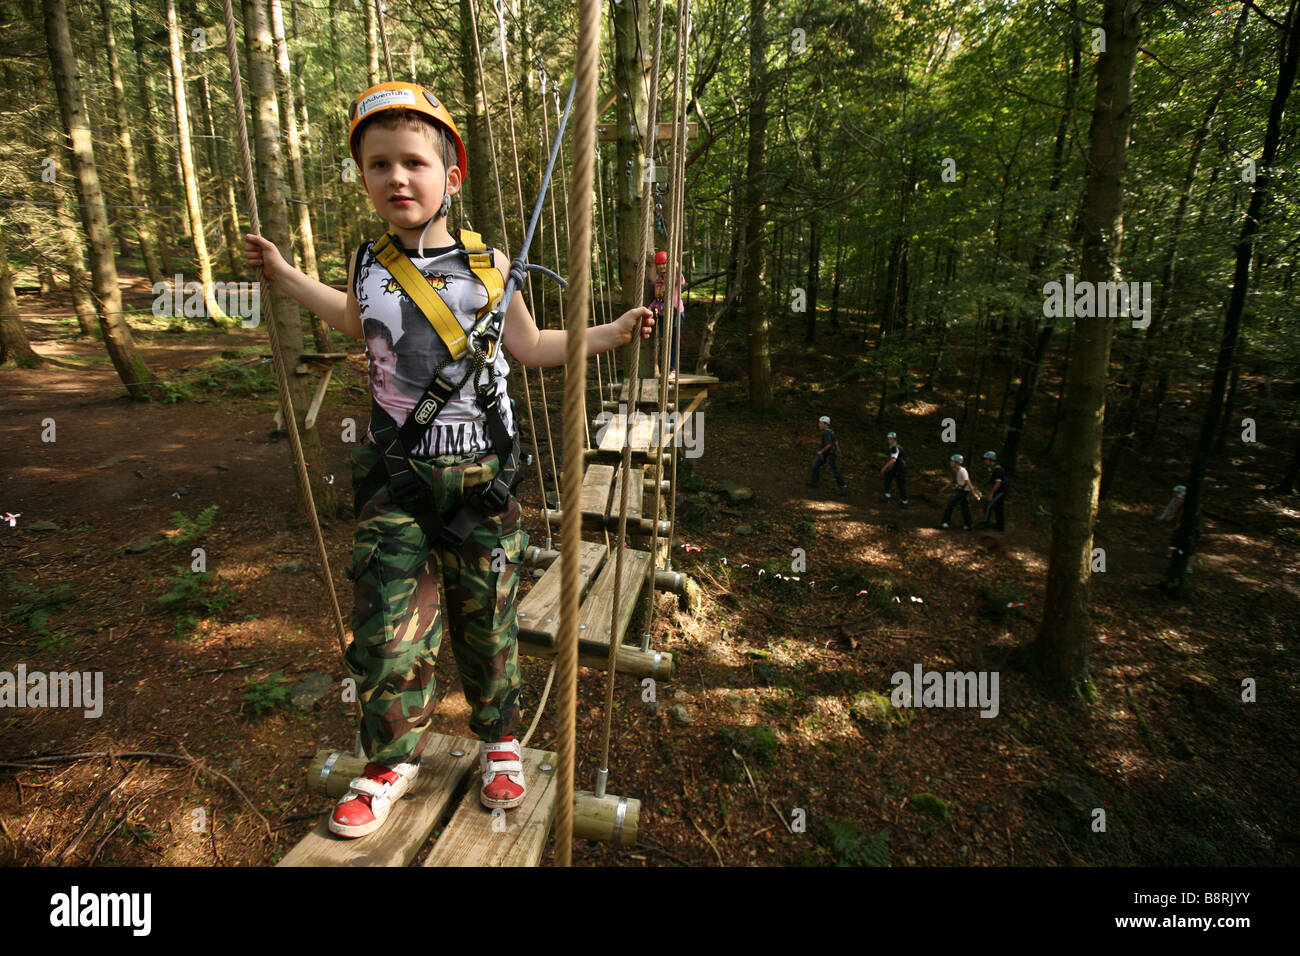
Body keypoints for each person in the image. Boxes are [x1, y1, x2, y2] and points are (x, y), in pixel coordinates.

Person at [244, 81, 653, 839]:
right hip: (396, 483)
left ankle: (500, 741)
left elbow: (530, 348)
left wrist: (611, 333)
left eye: (413, 163)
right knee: (386, 627)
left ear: (450, 177)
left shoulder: (492, 265)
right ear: (364, 178)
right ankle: (390, 760)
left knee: (487, 623)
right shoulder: (368, 263)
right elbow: (347, 313)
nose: (397, 178)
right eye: (378, 166)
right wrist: (285, 274)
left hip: (481, 478)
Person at [643, 250, 685, 374]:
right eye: (659, 264)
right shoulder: (657, 281)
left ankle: (673, 369)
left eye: (664, 263)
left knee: (673, 341)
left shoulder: (673, 278)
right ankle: (666, 368)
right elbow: (658, 299)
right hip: (662, 314)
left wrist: (676, 266)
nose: (662, 266)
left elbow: (681, 281)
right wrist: (650, 307)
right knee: (665, 341)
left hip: (676, 313)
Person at [808, 415, 848, 493]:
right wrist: (838, 449)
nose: (819, 425)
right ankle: (814, 482)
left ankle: (844, 487)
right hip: (827, 453)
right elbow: (835, 441)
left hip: (830, 454)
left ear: (825, 424)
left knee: (834, 470)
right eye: (819, 423)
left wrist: (821, 451)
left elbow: (829, 444)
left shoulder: (826, 432)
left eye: (820, 423)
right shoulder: (830, 431)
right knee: (815, 465)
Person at [940, 453, 978, 529]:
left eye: (952, 461)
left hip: (963, 492)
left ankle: (945, 523)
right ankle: (968, 524)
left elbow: (968, 482)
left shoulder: (962, 471)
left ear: (957, 463)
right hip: (961, 491)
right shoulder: (957, 470)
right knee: (964, 508)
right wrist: (944, 488)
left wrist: (974, 493)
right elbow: (953, 481)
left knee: (951, 504)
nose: (951, 463)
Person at [975, 451, 1007, 531]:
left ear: (990, 460)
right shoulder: (993, 469)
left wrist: (991, 493)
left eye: (986, 459)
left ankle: (985, 523)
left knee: (989, 505)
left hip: (1001, 491)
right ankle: (1000, 525)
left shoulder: (998, 470)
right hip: (999, 490)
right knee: (998, 507)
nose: (985, 461)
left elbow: (998, 483)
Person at [880, 431, 909, 504]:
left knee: (901, 484)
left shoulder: (895, 447)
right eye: (888, 439)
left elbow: (893, 459)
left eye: (890, 439)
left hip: (900, 468)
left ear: (894, 439)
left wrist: (885, 467)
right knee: (887, 478)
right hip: (896, 467)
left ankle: (904, 502)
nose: (889, 440)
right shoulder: (896, 446)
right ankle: (887, 495)